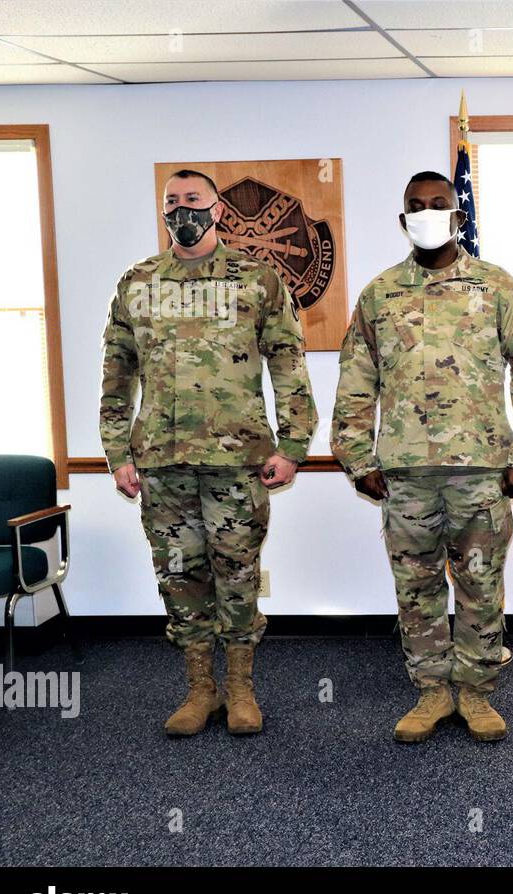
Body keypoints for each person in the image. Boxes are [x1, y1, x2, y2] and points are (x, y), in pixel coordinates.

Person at [331, 171, 513, 743]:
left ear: (457, 214)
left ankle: (476, 693)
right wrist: (357, 457)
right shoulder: (380, 294)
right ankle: (432, 692)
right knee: (417, 586)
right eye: (416, 206)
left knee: (480, 585)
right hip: (404, 474)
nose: (428, 213)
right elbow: (356, 378)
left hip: (481, 469)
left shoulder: (498, 287)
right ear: (403, 219)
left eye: (439, 204)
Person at [99, 168, 316, 736]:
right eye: (171, 201)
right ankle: (201, 689)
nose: (181, 209)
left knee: (238, 574)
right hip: (160, 460)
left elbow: (289, 364)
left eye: (193, 199)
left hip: (237, 458)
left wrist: (293, 444)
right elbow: (117, 375)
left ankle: (241, 689)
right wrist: (116, 452)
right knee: (179, 576)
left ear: (217, 210)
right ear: (163, 212)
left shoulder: (257, 278)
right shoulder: (137, 283)